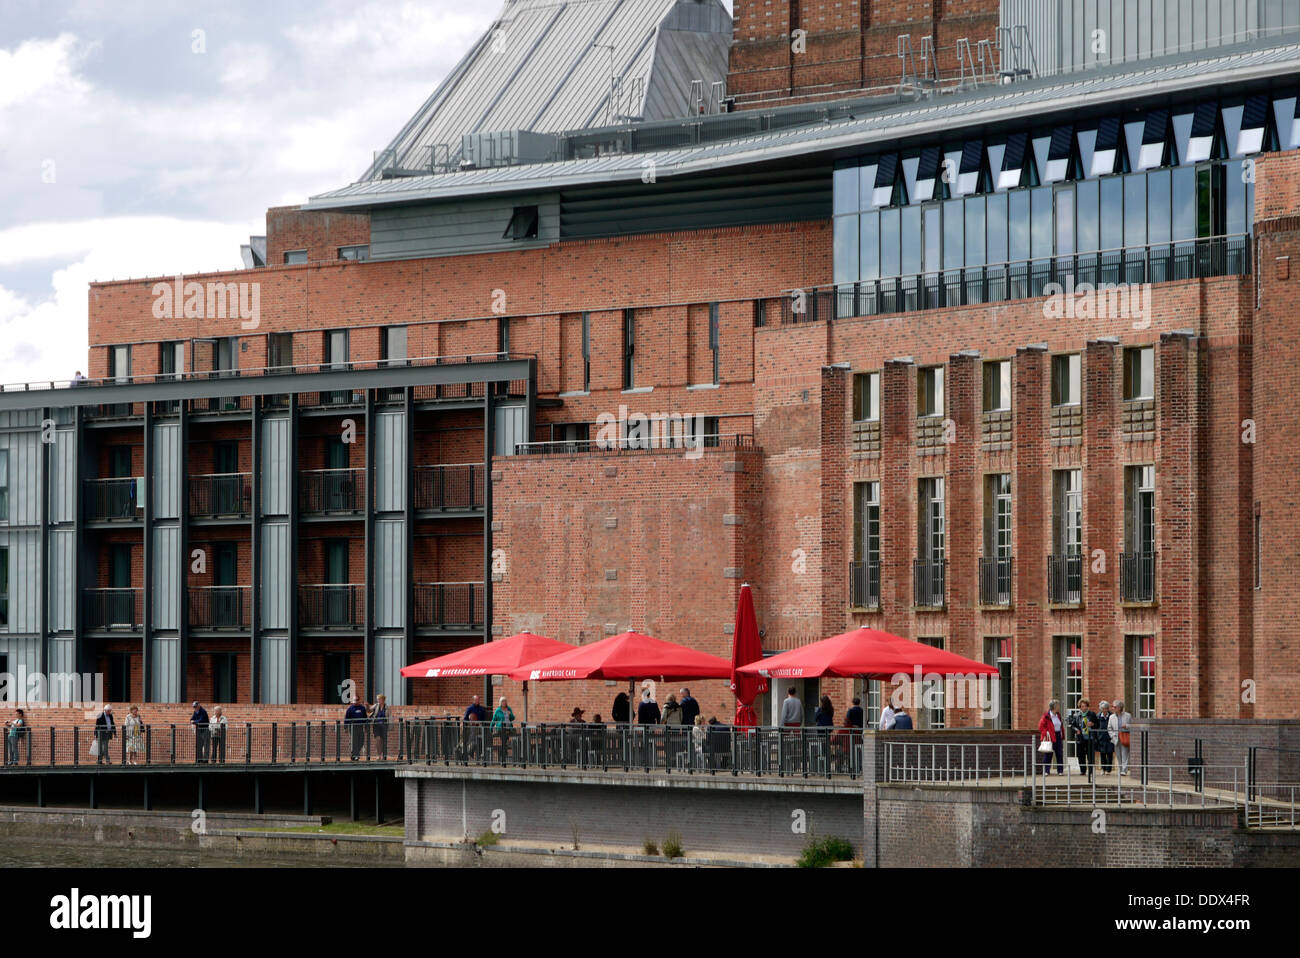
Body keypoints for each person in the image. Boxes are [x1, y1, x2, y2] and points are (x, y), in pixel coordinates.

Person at [1069, 699, 1096, 778]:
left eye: (1085, 706)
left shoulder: (1092, 714)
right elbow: (1072, 726)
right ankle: (1082, 770)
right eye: (1082, 706)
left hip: (1090, 737)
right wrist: (1076, 730)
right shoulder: (1076, 715)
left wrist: (1092, 724)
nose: (1084, 708)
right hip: (1080, 738)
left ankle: (1091, 770)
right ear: (1080, 707)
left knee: (1090, 755)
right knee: (1081, 755)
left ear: (1087, 707)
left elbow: (1097, 724)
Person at [1038, 699, 1064, 775]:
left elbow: (1060, 725)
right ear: (1054, 707)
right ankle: (1046, 770)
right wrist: (1046, 733)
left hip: (1058, 735)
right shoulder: (1046, 716)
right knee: (1048, 753)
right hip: (1050, 736)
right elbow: (1041, 726)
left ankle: (1060, 771)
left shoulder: (1058, 715)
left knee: (1059, 753)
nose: (1059, 707)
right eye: (1057, 705)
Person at [1111, 700, 1132, 776]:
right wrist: (1112, 736)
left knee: (1125, 754)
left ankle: (1124, 770)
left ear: (1119, 708)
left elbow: (1132, 726)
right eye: (1112, 707)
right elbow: (1109, 728)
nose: (1113, 708)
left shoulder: (1128, 716)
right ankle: (1120, 769)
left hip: (1124, 736)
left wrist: (1126, 726)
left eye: (1114, 707)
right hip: (1116, 738)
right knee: (1118, 754)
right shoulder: (1111, 717)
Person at [490, 696, 515, 763]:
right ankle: (504, 752)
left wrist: (510, 715)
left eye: (505, 701)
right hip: (500, 728)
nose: (504, 703)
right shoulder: (498, 710)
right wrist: (491, 728)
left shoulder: (508, 709)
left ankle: (504, 751)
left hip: (508, 727)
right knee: (504, 738)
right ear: (500, 703)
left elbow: (513, 718)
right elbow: (494, 719)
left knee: (506, 739)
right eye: (503, 701)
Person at [1093, 700, 1114, 773]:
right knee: (1102, 754)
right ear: (1101, 709)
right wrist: (1097, 737)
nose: (1105, 710)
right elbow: (1096, 727)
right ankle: (1103, 769)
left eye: (1106, 709)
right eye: (1103, 709)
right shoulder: (1098, 716)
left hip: (1109, 737)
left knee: (1109, 754)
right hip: (1101, 738)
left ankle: (1109, 770)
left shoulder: (1111, 716)